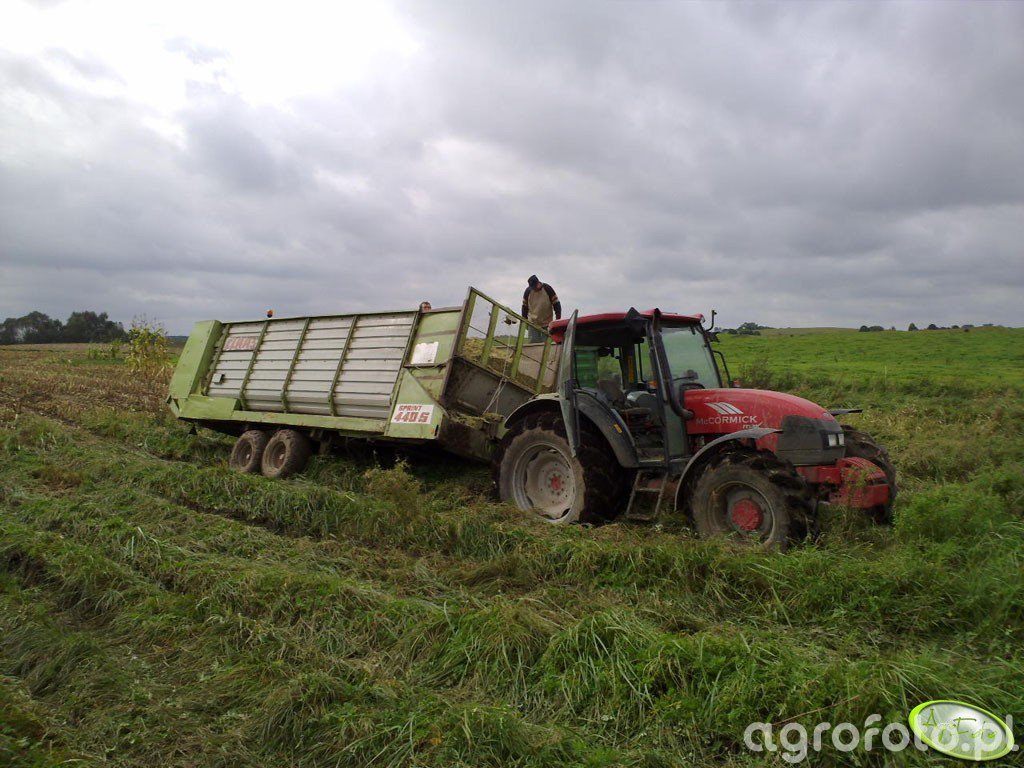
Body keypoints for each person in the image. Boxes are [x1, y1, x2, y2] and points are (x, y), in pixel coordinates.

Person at [521, 274, 561, 342]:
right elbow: (524, 307)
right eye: (532, 287)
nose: (534, 288)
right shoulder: (528, 291)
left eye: (535, 286)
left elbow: (556, 304)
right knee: (533, 343)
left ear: (538, 282)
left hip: (547, 322)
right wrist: (525, 321)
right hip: (533, 322)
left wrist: (557, 319)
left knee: (546, 343)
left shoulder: (548, 288)